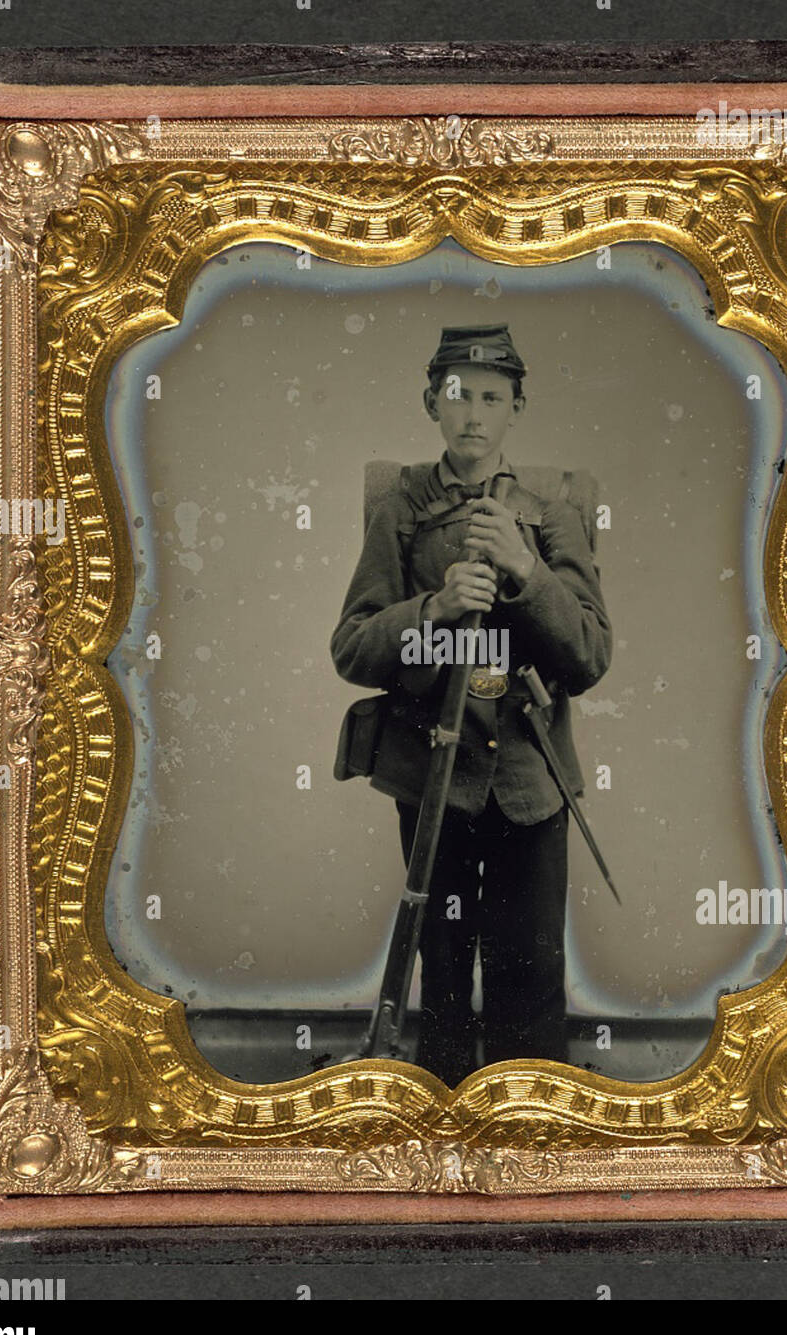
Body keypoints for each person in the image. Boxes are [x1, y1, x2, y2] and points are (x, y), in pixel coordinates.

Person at [330, 323, 612, 1086]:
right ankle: (447, 1140)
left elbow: (589, 657)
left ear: (517, 407)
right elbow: (351, 648)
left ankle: (532, 1132)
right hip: (434, 783)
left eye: (492, 396)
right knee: (445, 971)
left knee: (530, 970)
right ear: (432, 403)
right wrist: (433, 609)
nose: (474, 414)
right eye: (457, 395)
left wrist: (527, 571)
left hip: (530, 779)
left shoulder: (553, 514)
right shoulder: (401, 509)